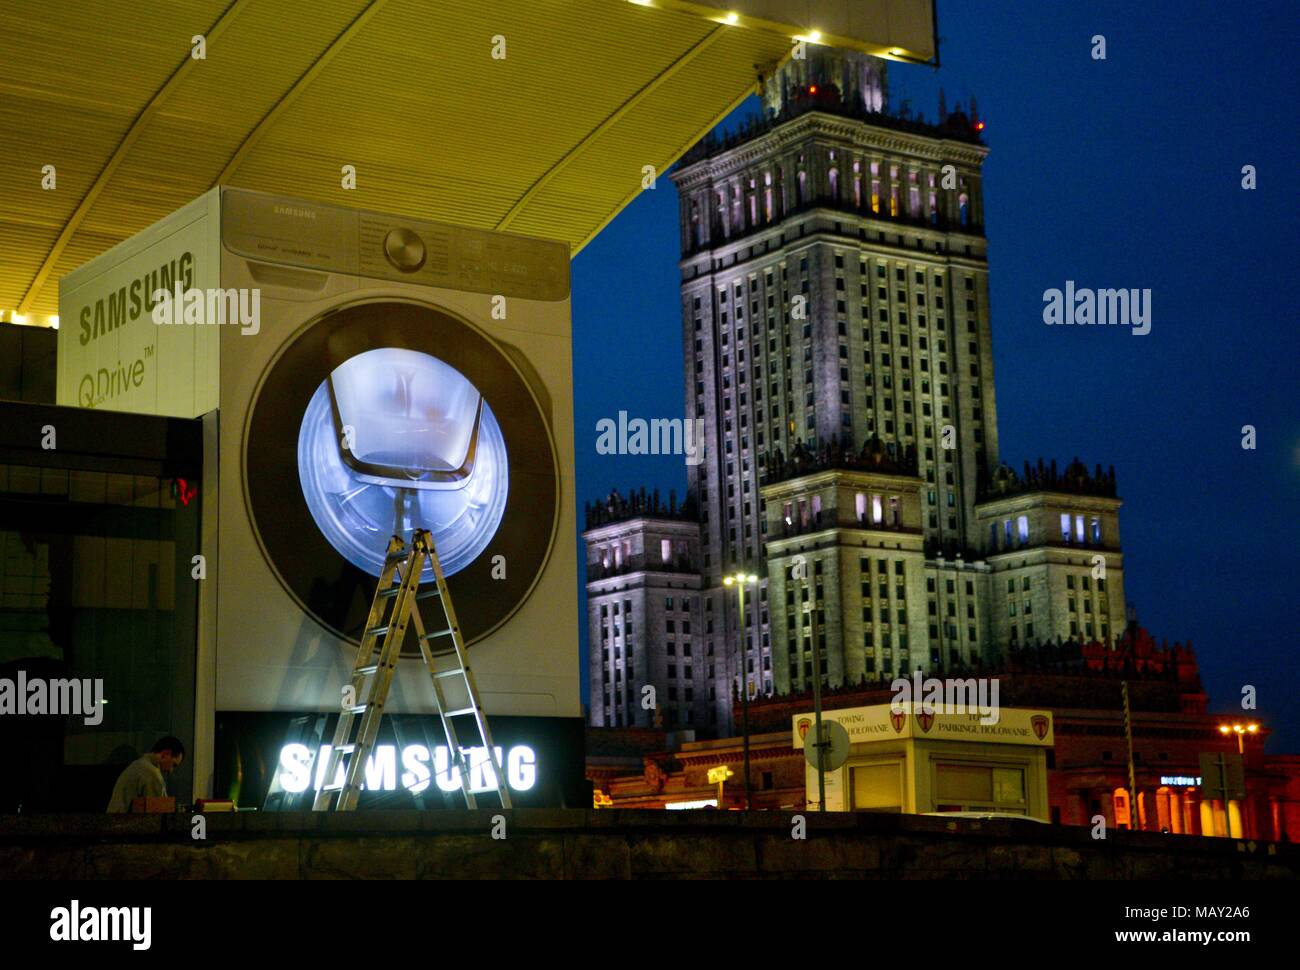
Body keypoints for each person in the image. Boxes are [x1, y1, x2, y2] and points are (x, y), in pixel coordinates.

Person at [106, 736, 185, 813]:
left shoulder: (138, 765)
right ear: (165, 754)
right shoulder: (151, 773)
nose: (171, 770)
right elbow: (158, 813)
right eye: (173, 765)